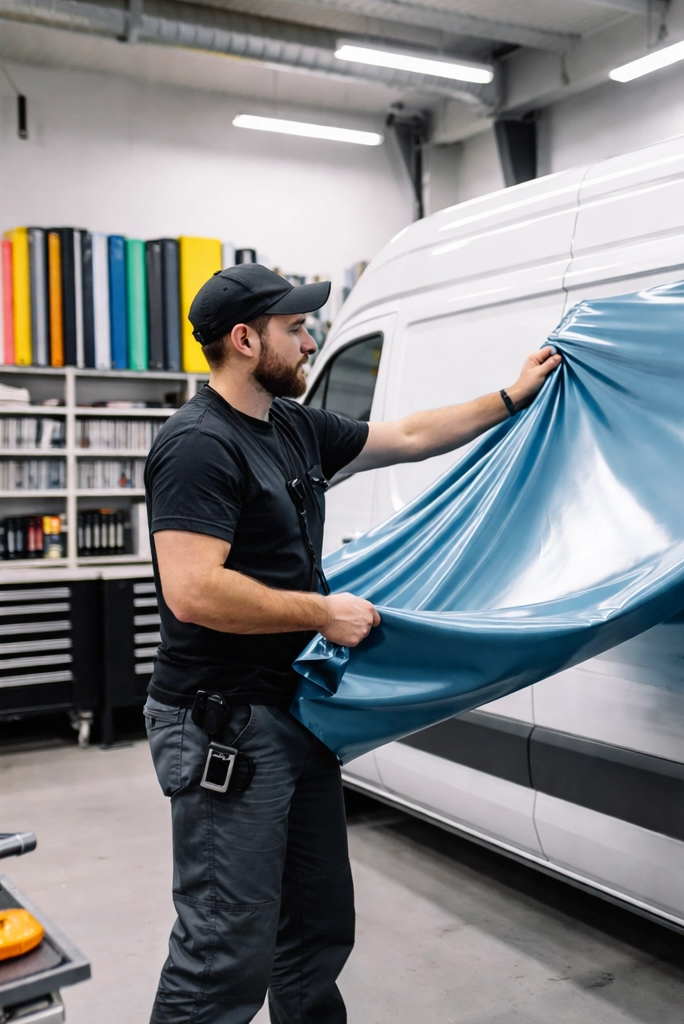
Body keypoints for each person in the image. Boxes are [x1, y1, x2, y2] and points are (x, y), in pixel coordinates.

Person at [141, 263, 561, 1024]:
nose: (310, 341)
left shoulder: (293, 427)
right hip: (220, 727)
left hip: (292, 715)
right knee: (224, 955)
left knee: (317, 930)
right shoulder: (198, 446)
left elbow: (406, 434)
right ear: (244, 340)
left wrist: (511, 397)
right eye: (295, 329)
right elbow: (194, 590)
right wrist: (321, 613)